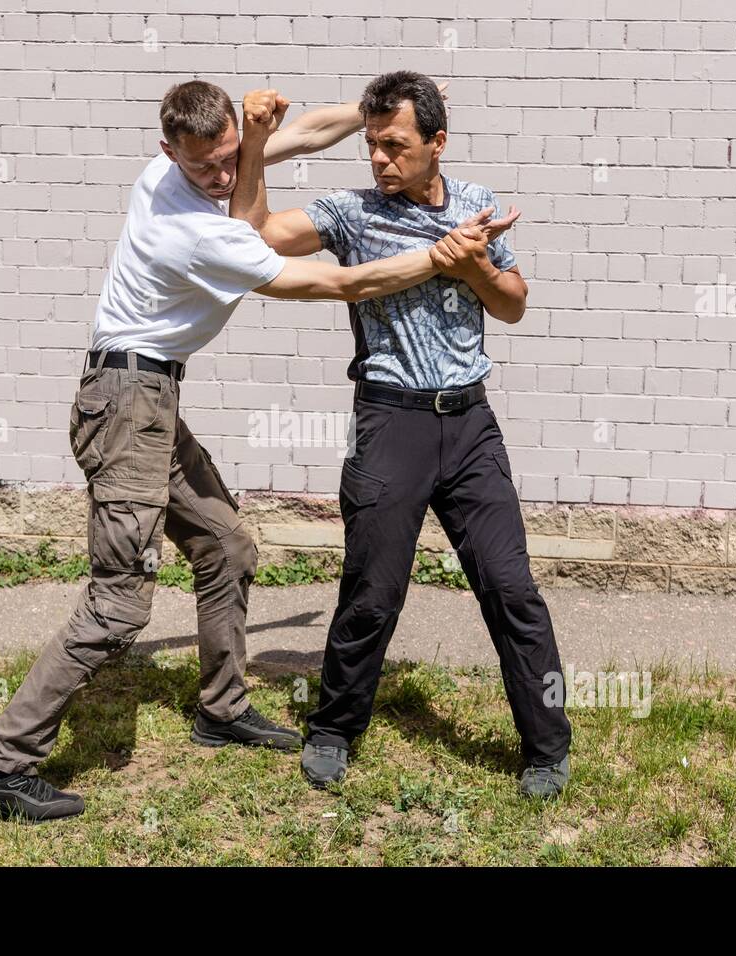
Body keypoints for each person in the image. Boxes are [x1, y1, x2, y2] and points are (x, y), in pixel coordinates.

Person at [0, 81, 511, 821]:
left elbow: (307, 133)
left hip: (150, 401)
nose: (221, 179)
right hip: (125, 409)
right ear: (168, 154)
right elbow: (341, 282)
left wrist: (374, 106)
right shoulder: (197, 230)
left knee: (226, 547)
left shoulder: (186, 163)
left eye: (229, 161)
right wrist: (438, 257)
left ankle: (221, 709)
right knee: (119, 607)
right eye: (204, 169)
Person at [230, 71, 572, 799]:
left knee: (511, 588)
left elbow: (511, 306)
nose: (380, 159)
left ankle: (547, 745)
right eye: (372, 145)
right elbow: (256, 235)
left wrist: (473, 257)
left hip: (471, 424)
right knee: (373, 591)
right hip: (390, 421)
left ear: (436, 143)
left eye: (395, 145)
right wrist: (254, 147)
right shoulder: (351, 214)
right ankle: (333, 728)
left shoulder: (478, 205)